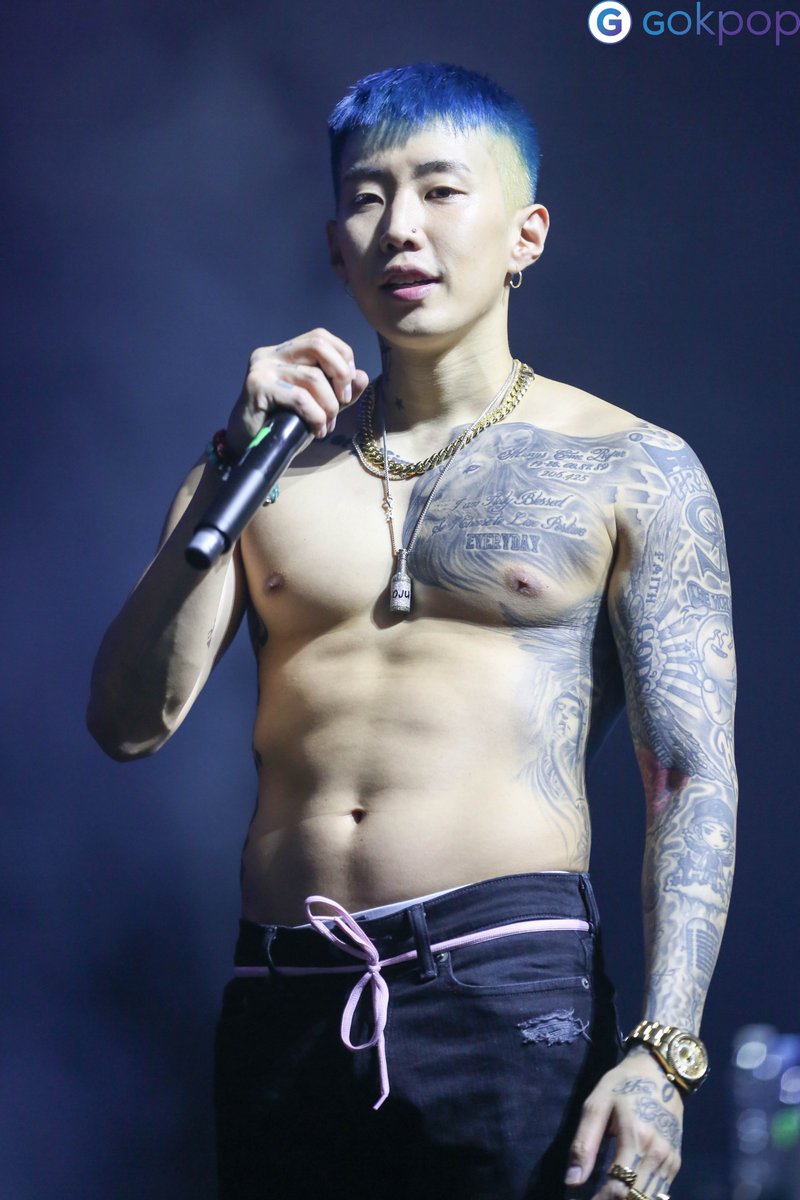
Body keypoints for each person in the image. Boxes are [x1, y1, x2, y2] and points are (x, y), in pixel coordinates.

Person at [88, 63, 738, 1200]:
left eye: (440, 191)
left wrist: (662, 1053)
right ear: (334, 250)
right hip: (286, 996)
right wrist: (230, 462)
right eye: (367, 196)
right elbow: (128, 724)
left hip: (507, 986)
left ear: (525, 234)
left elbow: (688, 776)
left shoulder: (630, 466)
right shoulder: (258, 466)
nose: (400, 227)